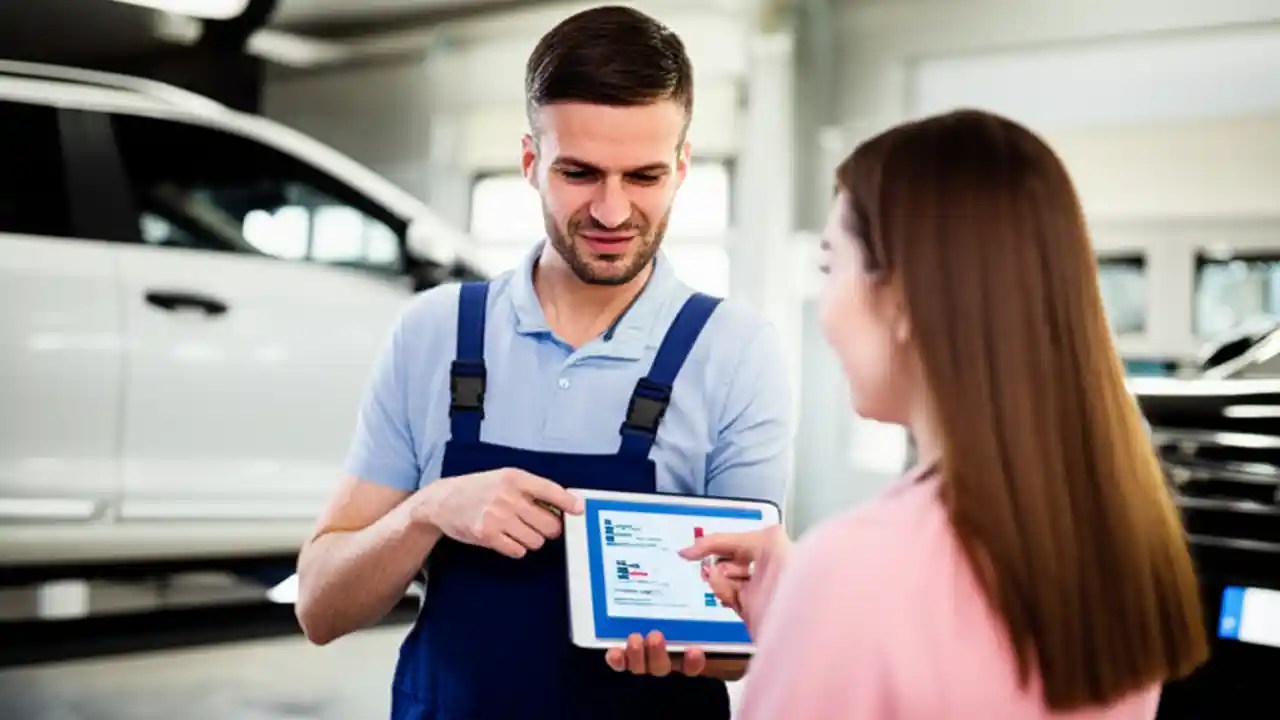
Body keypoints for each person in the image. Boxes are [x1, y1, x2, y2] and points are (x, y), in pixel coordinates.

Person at [293, 6, 793, 720]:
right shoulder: (434, 334)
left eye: (645, 176)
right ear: (531, 163)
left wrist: (694, 650)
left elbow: (760, 626)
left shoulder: (736, 352)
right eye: (580, 173)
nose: (614, 211)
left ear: (682, 167)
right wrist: (428, 512)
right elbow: (319, 607)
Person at [682, 109, 1209, 718]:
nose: (824, 309)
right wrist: (803, 621)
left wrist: (822, 610)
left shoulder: (856, 572)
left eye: (831, 267)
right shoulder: (1120, 540)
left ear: (901, 296)